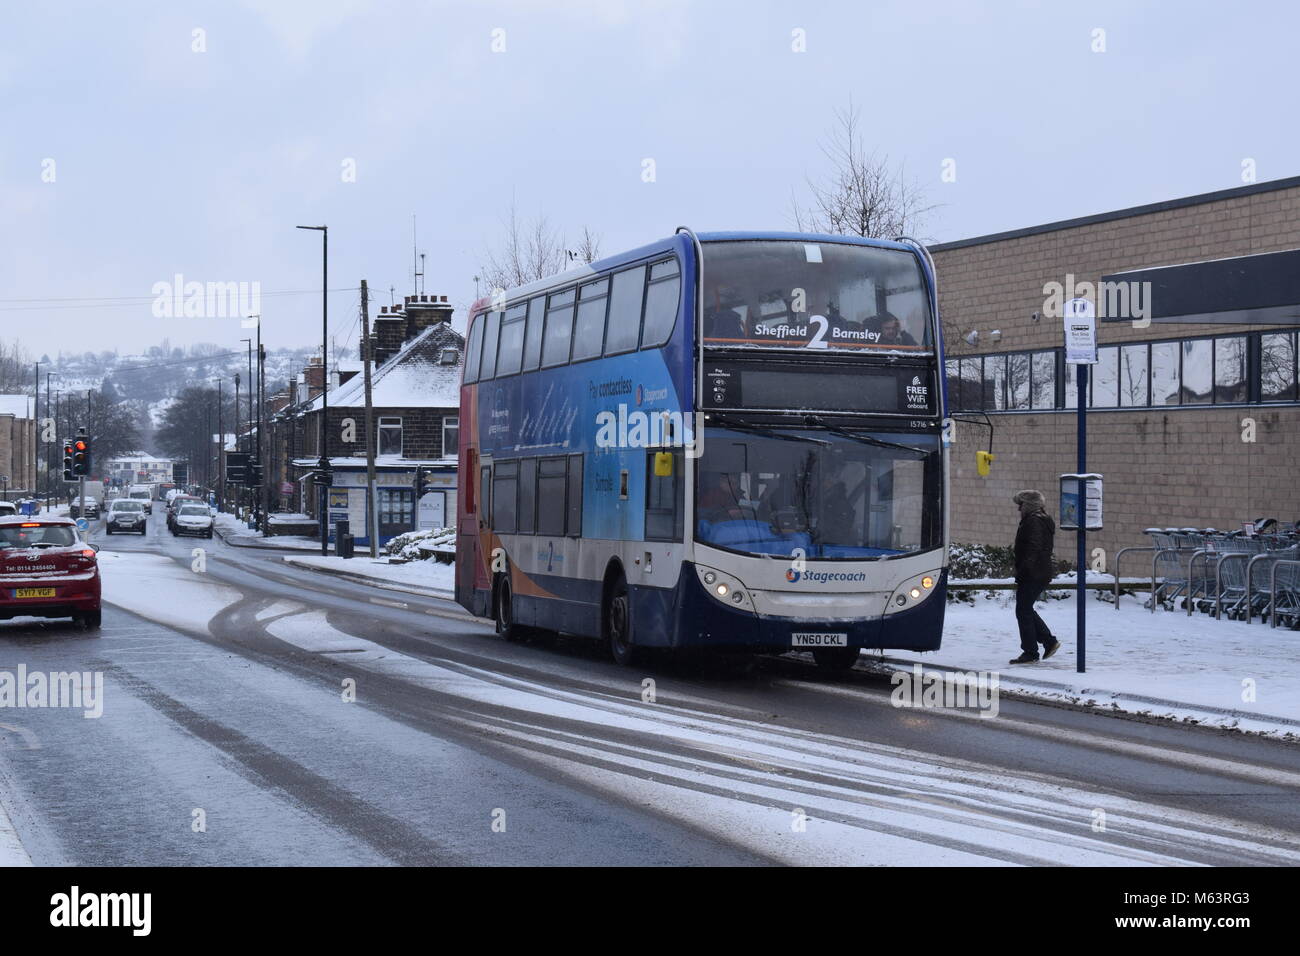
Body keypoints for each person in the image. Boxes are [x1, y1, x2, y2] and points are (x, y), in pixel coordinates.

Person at [1009, 489, 1062, 664]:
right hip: (1038, 571)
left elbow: (1033, 548)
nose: (1019, 509)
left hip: (1033, 573)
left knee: (1023, 610)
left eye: (1021, 505)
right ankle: (1047, 642)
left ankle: (1031, 651)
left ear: (1029, 505)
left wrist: (1024, 570)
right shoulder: (1039, 520)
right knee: (1025, 609)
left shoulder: (1033, 522)